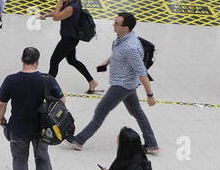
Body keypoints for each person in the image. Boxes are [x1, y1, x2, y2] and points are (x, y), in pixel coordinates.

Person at [66, 12, 159, 154]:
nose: (113, 25)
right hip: (128, 84)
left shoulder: (131, 47)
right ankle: (152, 144)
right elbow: (118, 53)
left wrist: (150, 95)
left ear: (126, 28)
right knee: (137, 112)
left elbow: (142, 73)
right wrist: (106, 62)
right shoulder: (122, 39)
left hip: (121, 85)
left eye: (116, 23)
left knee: (101, 111)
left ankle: (79, 140)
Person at [0, 46, 58, 170]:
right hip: (42, 128)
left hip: (19, 128)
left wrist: (1, 118)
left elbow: (1, 103)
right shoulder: (47, 80)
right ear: (37, 62)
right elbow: (62, 100)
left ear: (22, 60)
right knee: (42, 155)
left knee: (19, 157)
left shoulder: (11, 80)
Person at [43, 0, 98, 94]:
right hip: (70, 37)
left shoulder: (73, 6)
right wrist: (47, 14)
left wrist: (59, 2)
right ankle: (92, 81)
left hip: (69, 39)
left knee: (54, 62)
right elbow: (59, 13)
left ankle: (47, 89)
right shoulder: (72, 1)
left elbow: (57, 17)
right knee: (72, 60)